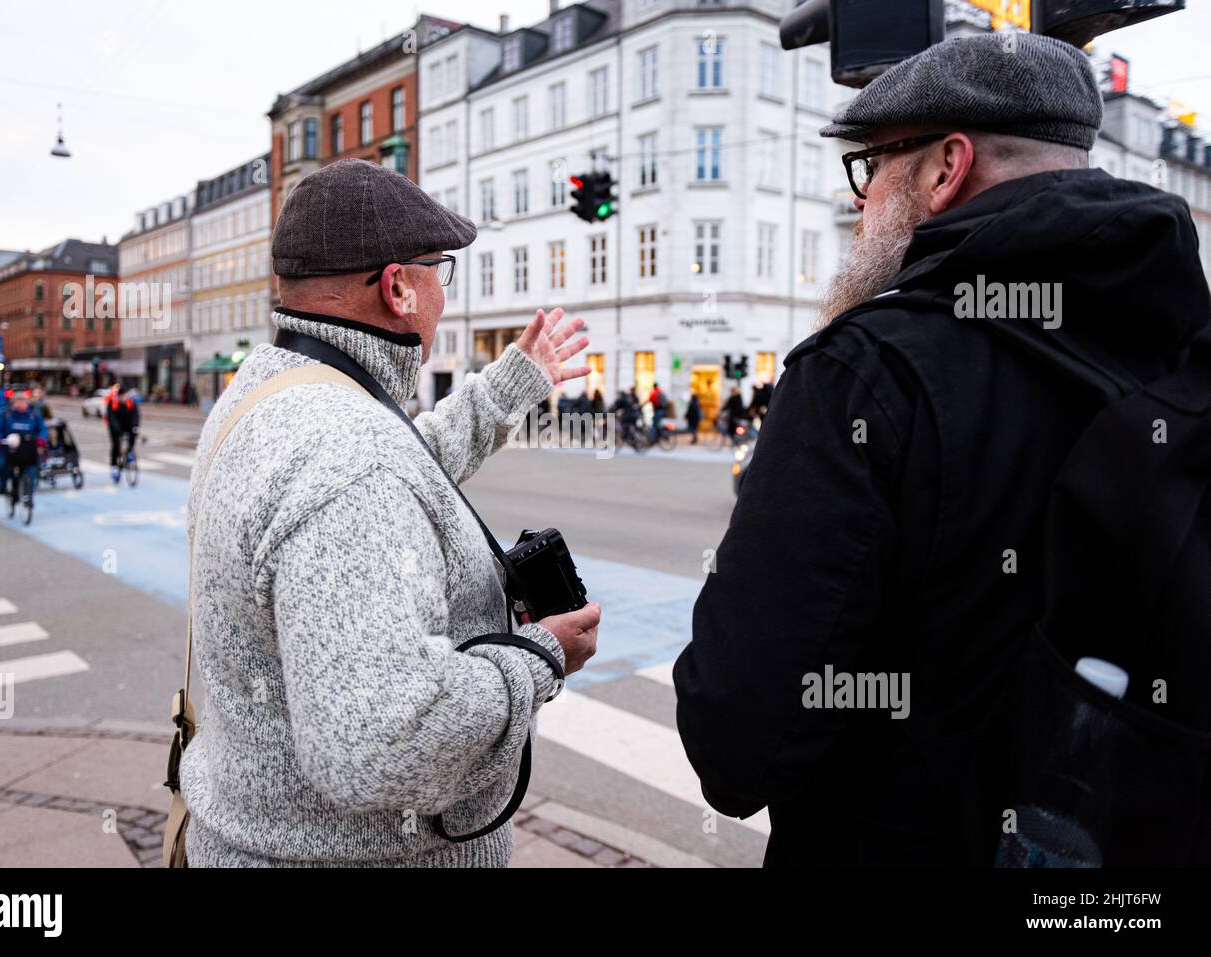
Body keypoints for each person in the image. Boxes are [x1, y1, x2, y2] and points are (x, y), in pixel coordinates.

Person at [675, 33, 1211, 866]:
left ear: (943, 169)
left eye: (872, 167)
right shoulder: (1187, 347)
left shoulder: (864, 372)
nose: (861, 202)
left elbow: (738, 739)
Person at [180, 158, 601, 868]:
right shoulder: (349, 450)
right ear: (399, 287)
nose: (445, 290)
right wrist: (539, 657)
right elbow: (382, 739)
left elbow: (399, 469)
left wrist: (505, 388)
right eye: (440, 268)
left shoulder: (272, 388)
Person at [0, 391, 48, 503]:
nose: (21, 404)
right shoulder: (4, 413)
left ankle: (29, 494)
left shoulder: (34, 414)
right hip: (8, 447)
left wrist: (41, 439)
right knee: (1, 464)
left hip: (28, 447)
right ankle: (3, 485)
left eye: (23, 401)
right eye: (18, 402)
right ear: (13, 403)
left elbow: (42, 428)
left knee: (33, 470)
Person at [104, 382, 140, 481]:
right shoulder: (113, 404)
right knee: (115, 445)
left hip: (127, 426)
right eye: (122, 396)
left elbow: (135, 416)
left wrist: (135, 426)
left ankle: (129, 452)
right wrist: (116, 429)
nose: (123, 398)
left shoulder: (131, 403)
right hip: (115, 428)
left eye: (125, 395)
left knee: (133, 433)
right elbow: (111, 418)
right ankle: (114, 467)